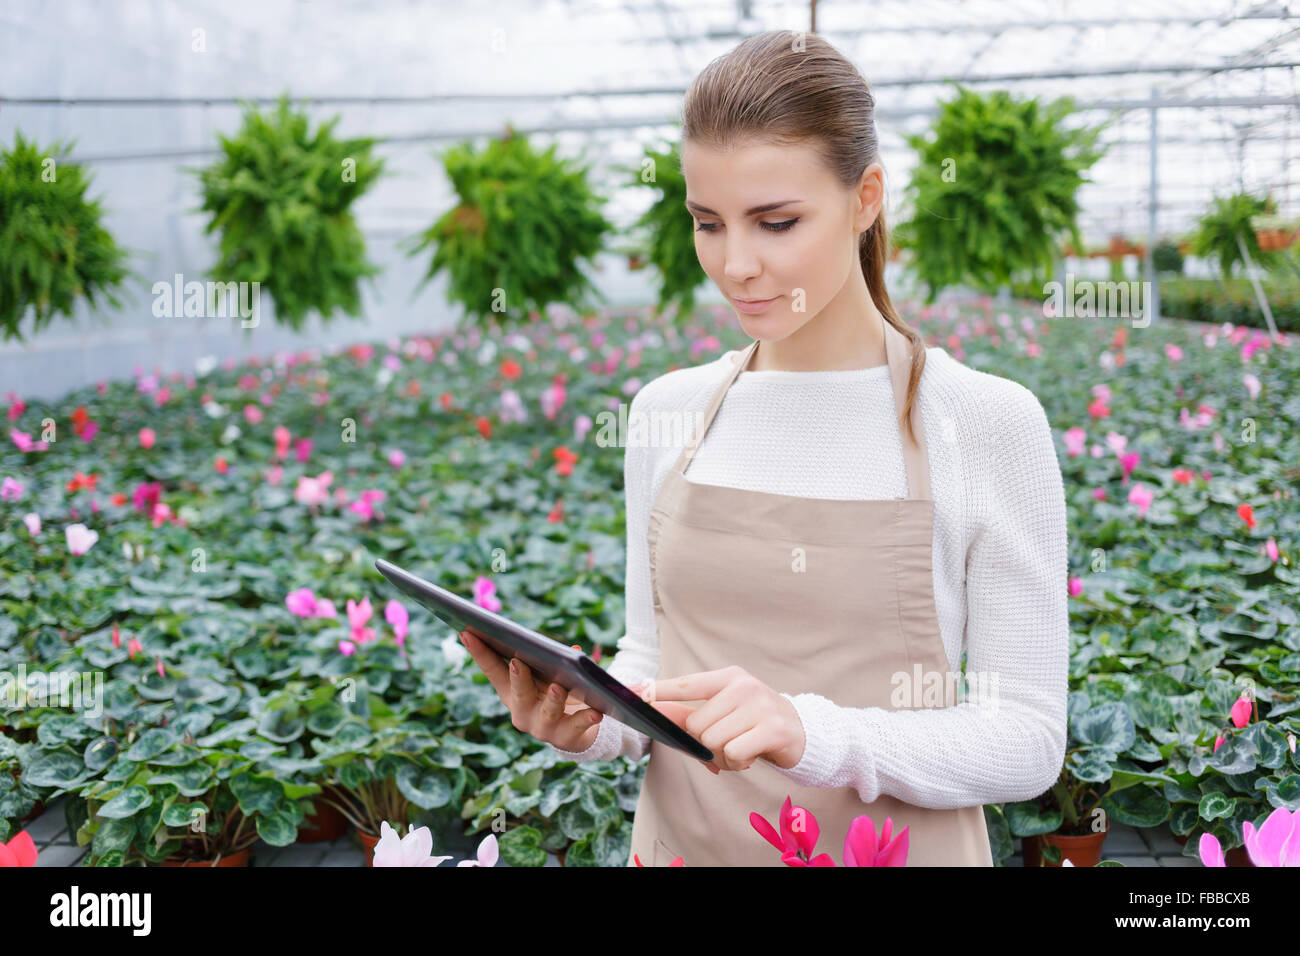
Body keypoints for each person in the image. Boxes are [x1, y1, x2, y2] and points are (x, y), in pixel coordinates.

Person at [459, 29, 1068, 866]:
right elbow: (652, 658)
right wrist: (592, 727)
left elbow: (1027, 740)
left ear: (866, 199)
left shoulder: (985, 421)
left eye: (776, 222)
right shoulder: (667, 411)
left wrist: (812, 731)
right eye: (707, 223)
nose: (736, 265)